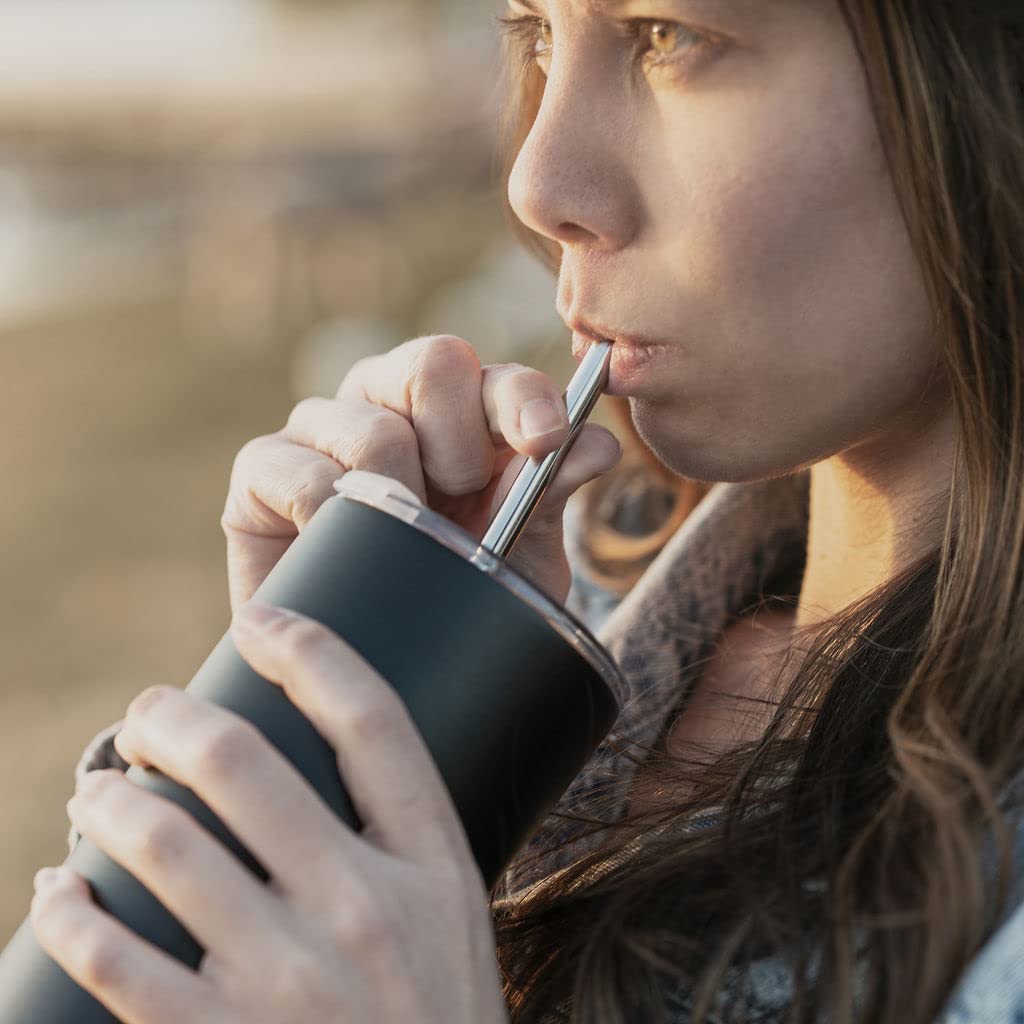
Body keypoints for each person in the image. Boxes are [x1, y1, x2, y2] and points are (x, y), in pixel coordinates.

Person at [29, 1, 1024, 1022]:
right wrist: (299, 739)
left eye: (666, 36)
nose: (538, 185)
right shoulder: (579, 596)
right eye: (536, 33)